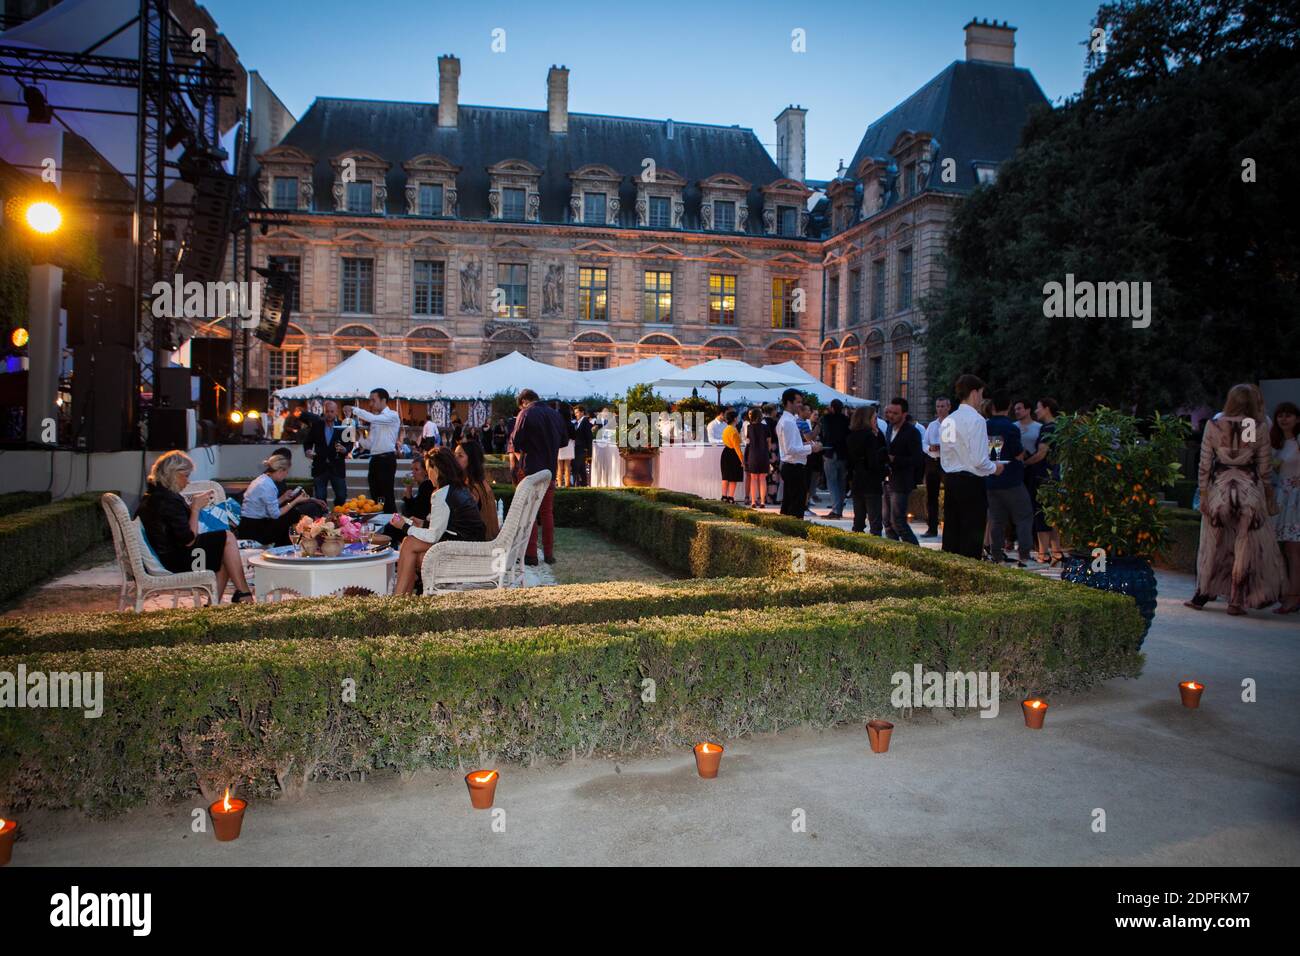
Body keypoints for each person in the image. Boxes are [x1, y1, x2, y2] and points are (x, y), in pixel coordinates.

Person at [1185, 384, 1286, 614]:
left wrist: (1203, 494)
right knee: (1244, 544)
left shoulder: (1213, 425)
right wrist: (1268, 495)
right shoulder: (1254, 426)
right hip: (1248, 488)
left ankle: (1202, 595)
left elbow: (1204, 464)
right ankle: (1236, 600)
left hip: (1219, 487)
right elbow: (1264, 466)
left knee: (1212, 544)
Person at [136, 451, 253, 603]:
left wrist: (191, 509)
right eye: (186, 475)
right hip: (176, 561)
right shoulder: (168, 500)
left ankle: (221, 601)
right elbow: (189, 540)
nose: (188, 481)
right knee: (227, 538)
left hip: (170, 556)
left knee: (222, 547)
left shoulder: (155, 496)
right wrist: (195, 509)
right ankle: (244, 594)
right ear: (174, 473)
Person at [391, 448, 488, 594]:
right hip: (469, 543)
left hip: (462, 548)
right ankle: (403, 598)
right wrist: (423, 523)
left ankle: (398, 598)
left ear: (435, 469)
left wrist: (404, 526)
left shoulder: (441, 494)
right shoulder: (458, 488)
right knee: (413, 550)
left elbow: (433, 536)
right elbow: (452, 523)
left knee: (409, 542)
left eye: (428, 468)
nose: (428, 474)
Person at [940, 374, 1004, 558]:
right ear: (974, 393)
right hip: (971, 483)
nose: (982, 399)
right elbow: (978, 460)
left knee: (952, 532)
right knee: (971, 534)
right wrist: (995, 468)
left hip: (951, 480)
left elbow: (946, 455)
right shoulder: (977, 420)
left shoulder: (949, 420)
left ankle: (949, 575)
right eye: (981, 394)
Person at [510, 388, 567, 564]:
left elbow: (516, 441)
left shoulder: (525, 414)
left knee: (530, 512)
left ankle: (531, 554)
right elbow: (564, 441)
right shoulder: (555, 414)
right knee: (547, 512)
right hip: (549, 470)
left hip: (530, 469)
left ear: (524, 401)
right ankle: (549, 554)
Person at [985, 393, 1037, 567]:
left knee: (997, 519)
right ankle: (1024, 555)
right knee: (1024, 516)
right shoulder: (1011, 428)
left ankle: (997, 555)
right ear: (1008, 407)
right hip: (1011, 479)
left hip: (991, 479)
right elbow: (1017, 453)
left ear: (992, 408)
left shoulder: (985, 425)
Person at [238, 448, 325, 546]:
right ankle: (286, 547)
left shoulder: (263, 479)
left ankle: (288, 545)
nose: (286, 475)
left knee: (293, 514)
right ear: (280, 471)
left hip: (250, 524)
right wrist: (295, 501)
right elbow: (275, 514)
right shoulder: (267, 485)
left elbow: (268, 505)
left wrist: (284, 498)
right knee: (293, 515)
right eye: (286, 472)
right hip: (255, 529)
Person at [345, 388, 400, 512]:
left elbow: (373, 419)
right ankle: (380, 521)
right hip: (375, 460)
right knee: (375, 495)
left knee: (387, 495)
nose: (370, 404)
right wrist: (359, 437)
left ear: (383, 400)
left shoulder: (392, 415)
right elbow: (370, 444)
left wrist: (354, 409)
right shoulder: (375, 419)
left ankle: (393, 527)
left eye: (373, 400)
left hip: (387, 460)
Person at [1270, 400, 1300, 613]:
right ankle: (1285, 591)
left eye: (1288, 415)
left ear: (1297, 419)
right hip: (1281, 497)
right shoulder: (1276, 443)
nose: (1284, 419)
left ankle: (1293, 597)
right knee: (1282, 549)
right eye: (1280, 415)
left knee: (1293, 550)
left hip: (1296, 499)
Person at [880, 398, 922, 544]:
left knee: (898, 521)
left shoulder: (912, 432)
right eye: (889, 412)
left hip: (901, 481)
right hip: (887, 480)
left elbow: (917, 459)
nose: (890, 415)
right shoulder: (889, 428)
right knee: (886, 522)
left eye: (895, 413)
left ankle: (914, 552)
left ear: (904, 414)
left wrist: (895, 459)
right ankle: (895, 552)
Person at [1028, 397, 1064, 564]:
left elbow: (1041, 453)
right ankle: (1057, 551)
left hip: (1044, 477)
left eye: (1038, 408)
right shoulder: (1060, 426)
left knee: (1042, 514)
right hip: (1056, 475)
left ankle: (1042, 553)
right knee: (1053, 514)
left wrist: (1024, 463)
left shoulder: (1047, 428)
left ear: (1047, 408)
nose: (1036, 411)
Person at [775, 389, 821, 518]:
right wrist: (811, 449)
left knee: (790, 504)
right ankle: (793, 535)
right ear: (789, 402)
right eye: (798, 402)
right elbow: (790, 449)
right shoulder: (788, 422)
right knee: (795, 507)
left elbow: (792, 446)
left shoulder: (788, 420)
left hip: (791, 466)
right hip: (793, 467)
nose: (801, 405)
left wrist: (809, 446)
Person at [846, 405, 888, 534]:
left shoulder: (852, 436)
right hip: (871, 481)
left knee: (858, 520)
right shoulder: (870, 436)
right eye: (874, 418)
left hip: (857, 479)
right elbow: (874, 460)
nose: (876, 421)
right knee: (875, 521)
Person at [379, 453, 434, 546]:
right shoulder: (424, 486)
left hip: (421, 527)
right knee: (391, 526)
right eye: (412, 469)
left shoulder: (426, 486)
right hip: (420, 524)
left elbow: (413, 513)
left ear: (425, 471)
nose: (413, 473)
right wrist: (409, 489)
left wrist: (408, 490)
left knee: (390, 528)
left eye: (416, 469)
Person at [303, 400, 352, 507]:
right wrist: (308, 450)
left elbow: (350, 443)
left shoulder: (342, 425)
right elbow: (308, 442)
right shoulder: (317, 425)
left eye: (332, 411)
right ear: (324, 412)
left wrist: (345, 450)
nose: (329, 414)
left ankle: (337, 514)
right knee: (320, 496)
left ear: (336, 412)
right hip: (320, 466)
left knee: (341, 495)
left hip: (337, 465)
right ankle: (322, 519)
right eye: (327, 411)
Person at [456, 438, 500, 540]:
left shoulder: (471, 488)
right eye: (455, 455)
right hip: (490, 540)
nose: (455, 459)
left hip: (479, 546)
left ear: (472, 460)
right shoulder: (481, 483)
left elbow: (463, 521)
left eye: (460, 456)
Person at [922, 397, 951, 537]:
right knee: (931, 496)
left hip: (946, 463)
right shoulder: (932, 425)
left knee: (949, 497)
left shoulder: (952, 424)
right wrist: (929, 448)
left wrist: (941, 446)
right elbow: (924, 443)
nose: (939, 409)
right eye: (938, 406)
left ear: (948, 407)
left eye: (942, 406)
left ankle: (949, 528)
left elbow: (953, 444)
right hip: (932, 462)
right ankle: (931, 527)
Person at [819, 399, 850, 519]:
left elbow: (824, 434)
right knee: (841, 483)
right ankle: (839, 508)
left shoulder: (826, 419)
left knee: (832, 482)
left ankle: (836, 509)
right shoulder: (846, 420)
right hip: (843, 454)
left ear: (832, 407)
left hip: (830, 452)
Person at [742, 408, 769, 509]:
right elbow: (769, 442)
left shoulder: (749, 427)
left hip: (752, 454)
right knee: (762, 478)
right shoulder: (766, 427)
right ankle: (762, 502)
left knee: (753, 478)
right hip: (763, 454)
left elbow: (747, 441)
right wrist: (767, 451)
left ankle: (753, 501)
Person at [719, 409, 744, 503]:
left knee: (725, 476)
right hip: (733, 454)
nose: (738, 419)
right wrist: (742, 460)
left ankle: (724, 496)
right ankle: (730, 498)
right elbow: (737, 447)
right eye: (737, 417)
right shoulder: (734, 431)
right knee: (733, 477)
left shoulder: (726, 429)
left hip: (725, 453)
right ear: (734, 419)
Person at [555, 402, 576, 488]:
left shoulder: (557, 423)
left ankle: (559, 484)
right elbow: (574, 436)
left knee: (559, 466)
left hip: (559, 444)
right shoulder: (570, 424)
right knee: (568, 466)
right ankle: (567, 484)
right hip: (569, 444)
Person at [572, 406, 594, 487]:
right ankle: (583, 484)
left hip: (582, 448)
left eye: (577, 412)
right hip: (578, 448)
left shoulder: (585, 422)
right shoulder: (578, 422)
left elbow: (589, 437)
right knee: (581, 468)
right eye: (575, 413)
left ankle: (576, 484)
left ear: (582, 412)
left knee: (576, 467)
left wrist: (588, 450)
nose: (576, 414)